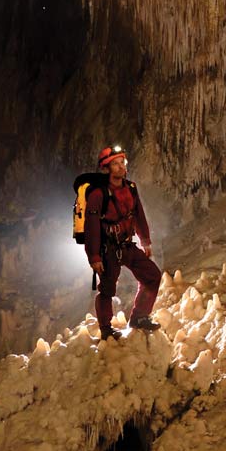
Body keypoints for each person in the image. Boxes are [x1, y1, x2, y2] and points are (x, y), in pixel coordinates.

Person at [87, 144, 162, 339]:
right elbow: (92, 227)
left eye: (122, 162)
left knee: (152, 275)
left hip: (127, 245)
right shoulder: (98, 195)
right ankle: (106, 330)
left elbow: (138, 215)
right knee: (107, 289)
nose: (121, 167)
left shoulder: (131, 188)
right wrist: (94, 256)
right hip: (108, 250)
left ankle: (139, 317)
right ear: (107, 168)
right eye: (116, 164)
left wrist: (145, 240)